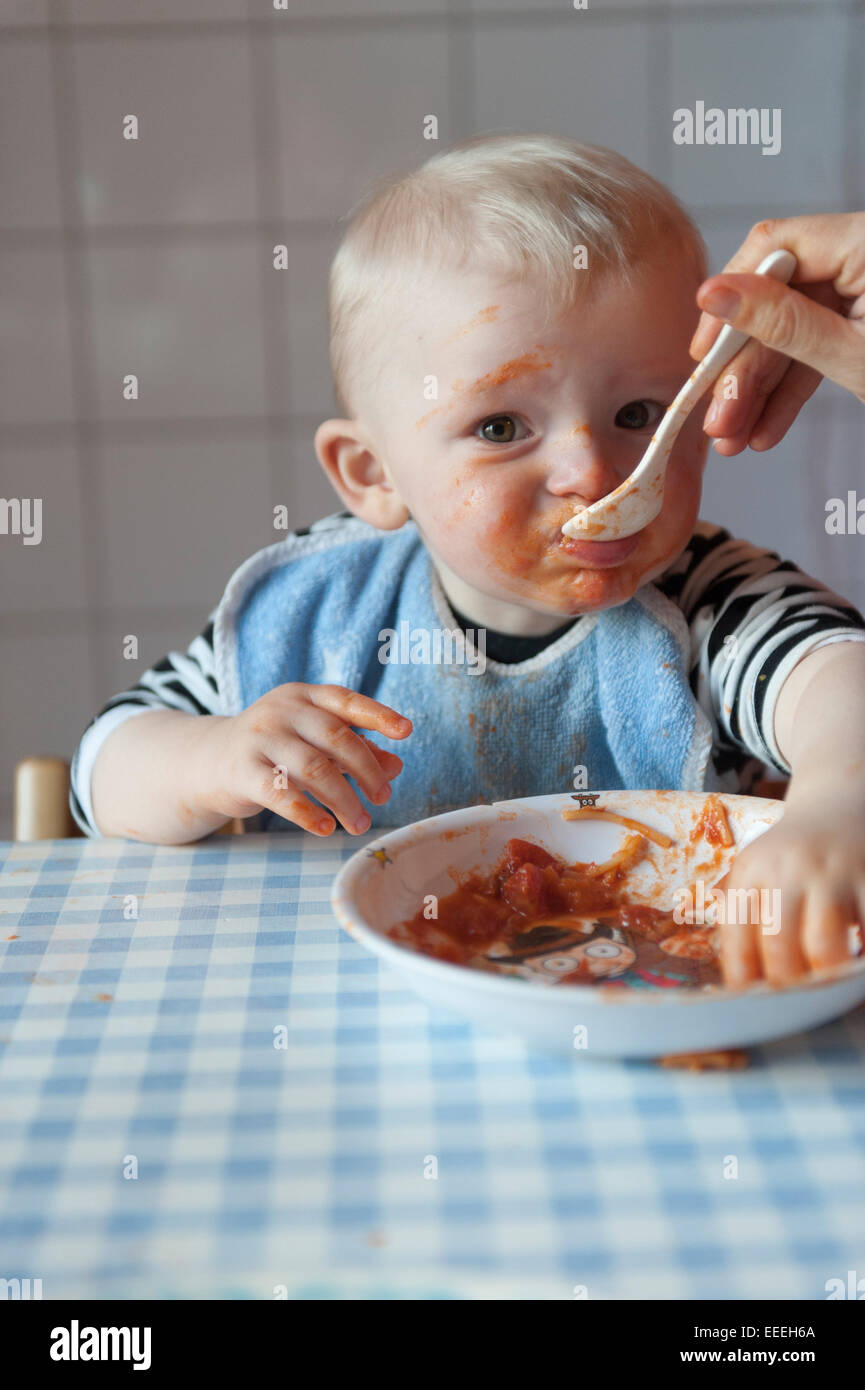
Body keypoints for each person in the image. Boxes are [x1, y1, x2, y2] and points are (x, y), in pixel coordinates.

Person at [68, 134, 865, 988]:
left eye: (638, 412)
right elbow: (100, 773)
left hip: (659, 1010)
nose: (590, 472)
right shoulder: (323, 612)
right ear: (372, 475)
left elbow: (833, 679)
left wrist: (838, 801)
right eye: (500, 428)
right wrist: (212, 757)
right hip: (345, 1017)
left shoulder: (709, 601)